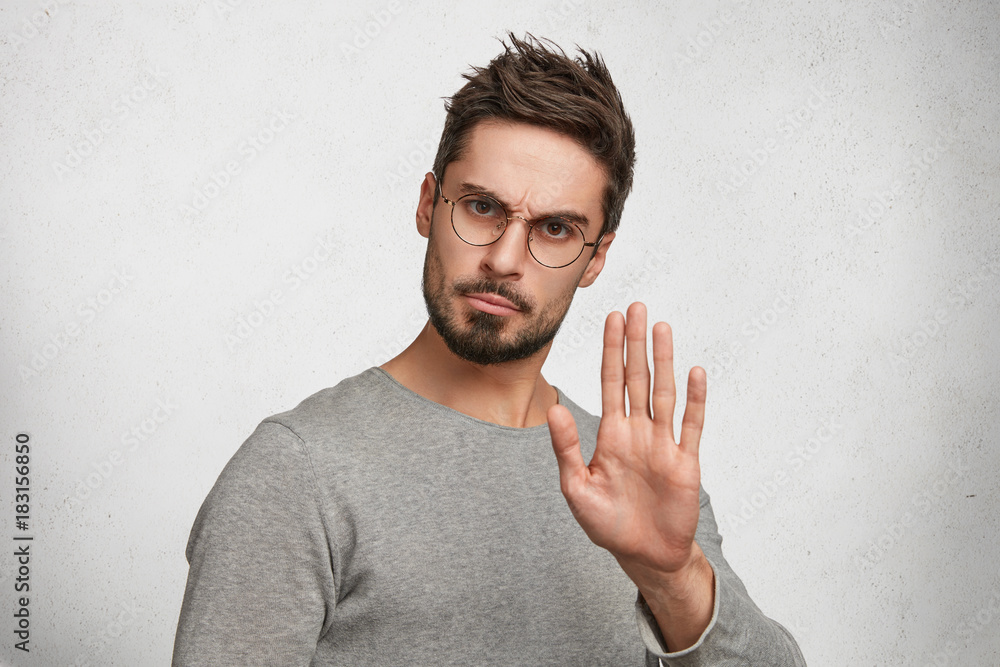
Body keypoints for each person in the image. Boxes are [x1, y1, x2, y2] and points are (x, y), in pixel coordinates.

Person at [172, 34, 806, 666]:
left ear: (595, 258)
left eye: (556, 229)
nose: (504, 259)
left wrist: (672, 579)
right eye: (480, 208)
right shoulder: (296, 472)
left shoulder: (638, 479)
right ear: (428, 204)